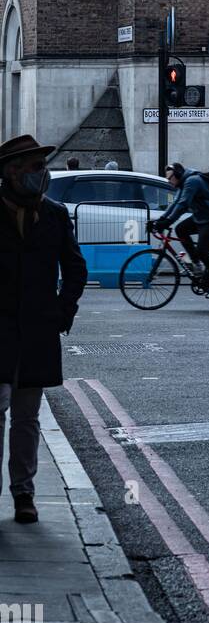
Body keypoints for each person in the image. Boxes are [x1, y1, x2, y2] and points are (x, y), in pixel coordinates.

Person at [0, 134, 87, 524]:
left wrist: (62, 312)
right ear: (12, 171)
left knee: (26, 417)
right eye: (36, 167)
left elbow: (75, 268)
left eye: (43, 166)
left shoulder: (53, 214)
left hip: (37, 330)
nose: (43, 174)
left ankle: (23, 492)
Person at [150, 164, 209, 300]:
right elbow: (175, 203)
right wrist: (161, 220)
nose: (169, 182)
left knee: (202, 250)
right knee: (181, 229)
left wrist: (167, 222)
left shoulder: (192, 181)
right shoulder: (183, 183)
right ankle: (197, 264)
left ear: (177, 175)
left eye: (170, 178)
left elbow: (183, 205)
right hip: (204, 217)